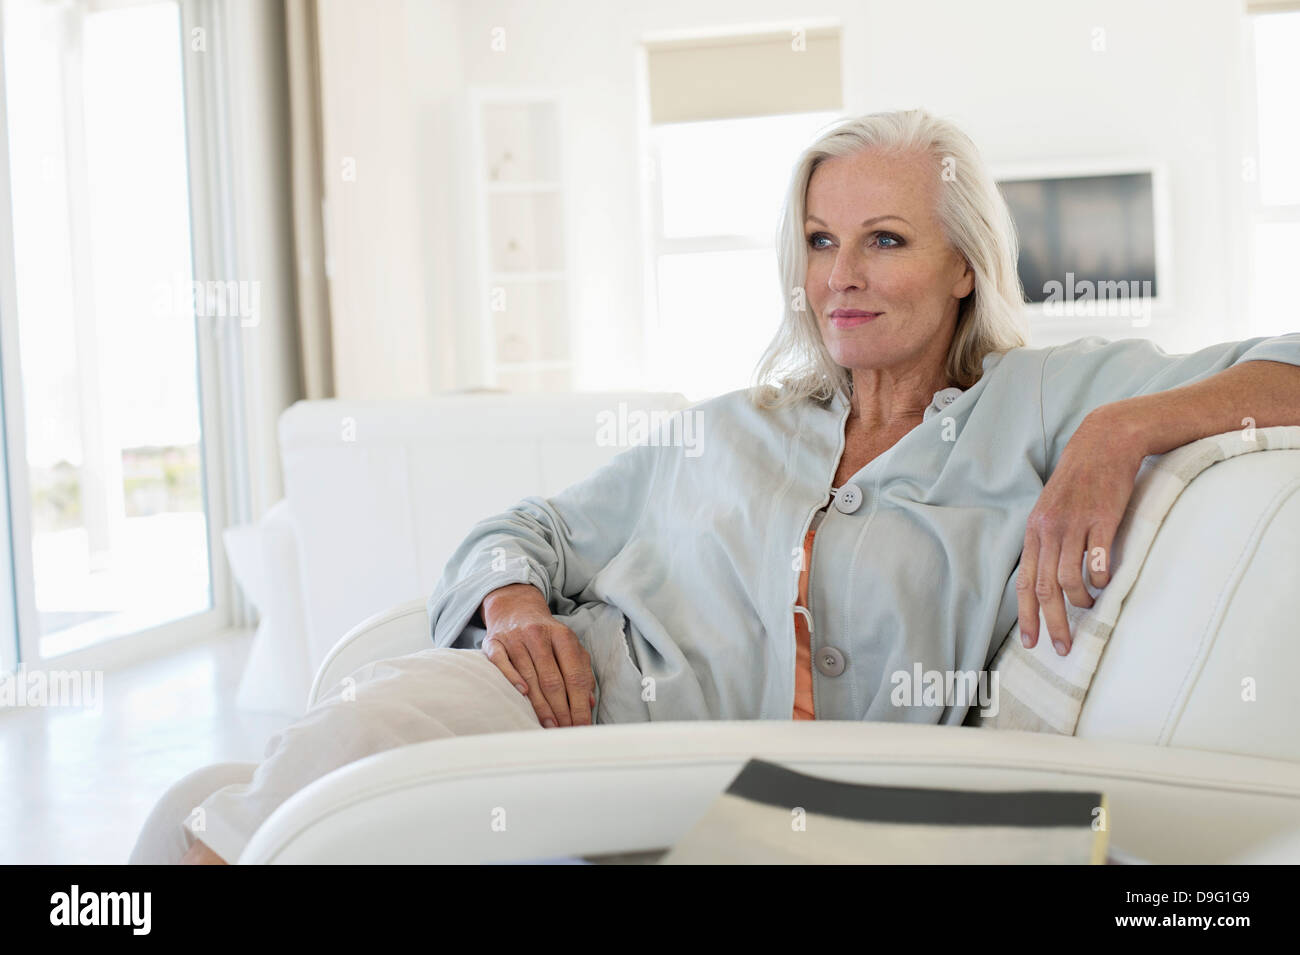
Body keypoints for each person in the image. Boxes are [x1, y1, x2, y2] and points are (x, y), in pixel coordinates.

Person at [131, 108, 1300, 864]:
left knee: (293, 800)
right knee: (285, 788)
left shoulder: (1043, 400)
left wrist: (1120, 432)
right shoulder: (729, 428)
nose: (838, 276)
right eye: (816, 240)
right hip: (561, 707)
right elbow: (524, 529)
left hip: (744, 782)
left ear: (962, 266)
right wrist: (514, 607)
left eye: (883, 240)